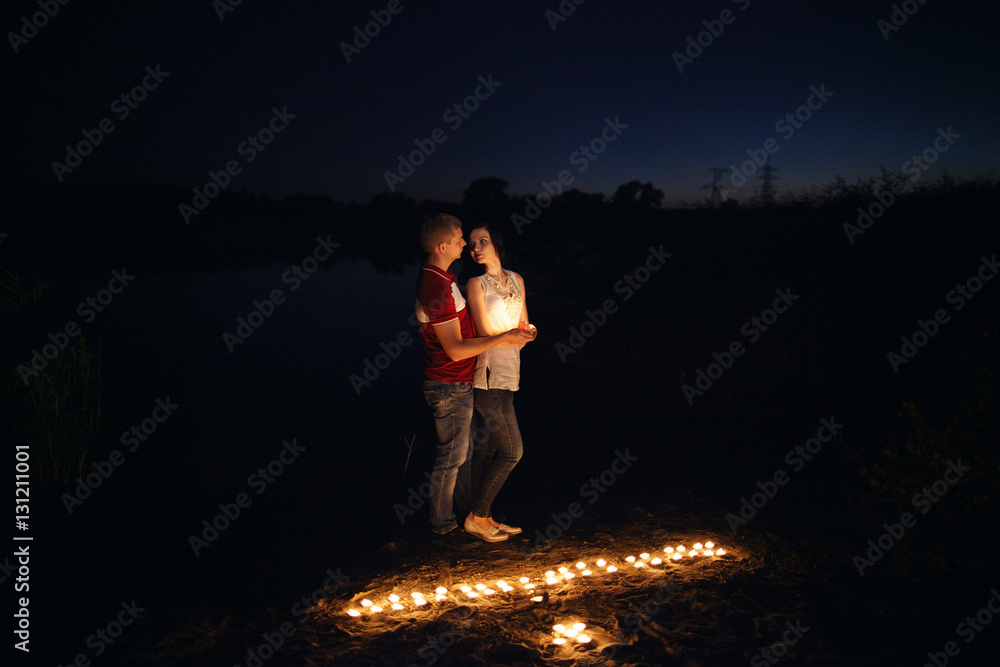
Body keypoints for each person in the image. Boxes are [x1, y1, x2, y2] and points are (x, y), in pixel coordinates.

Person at [415, 213, 535, 550]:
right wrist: (506, 337)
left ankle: (476, 516)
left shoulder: (444, 278)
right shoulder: (438, 285)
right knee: (461, 456)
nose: (466, 244)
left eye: (478, 239)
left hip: (469, 379)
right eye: (461, 238)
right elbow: (454, 349)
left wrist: (519, 335)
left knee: (473, 454)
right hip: (452, 380)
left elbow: (516, 326)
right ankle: (448, 527)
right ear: (442, 245)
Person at [464, 222, 535, 542]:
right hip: (488, 378)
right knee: (512, 453)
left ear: (497, 244)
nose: (475, 247)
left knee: (491, 451)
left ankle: (484, 516)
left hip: (510, 376)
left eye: (482, 241)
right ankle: (477, 517)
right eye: (471, 243)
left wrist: (528, 334)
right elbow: (482, 334)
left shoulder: (517, 279)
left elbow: (523, 326)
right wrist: (510, 337)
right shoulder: (475, 284)